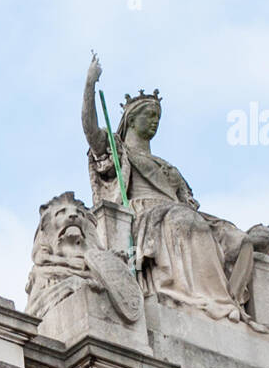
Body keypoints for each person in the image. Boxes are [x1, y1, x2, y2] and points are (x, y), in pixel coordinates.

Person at [82, 53, 241, 322]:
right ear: (132, 120)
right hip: (146, 214)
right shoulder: (117, 151)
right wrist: (90, 84)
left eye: (158, 116)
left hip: (179, 213)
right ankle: (213, 303)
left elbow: (187, 202)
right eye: (150, 115)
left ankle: (227, 307)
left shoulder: (169, 167)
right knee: (185, 221)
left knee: (239, 239)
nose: (155, 120)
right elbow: (89, 129)